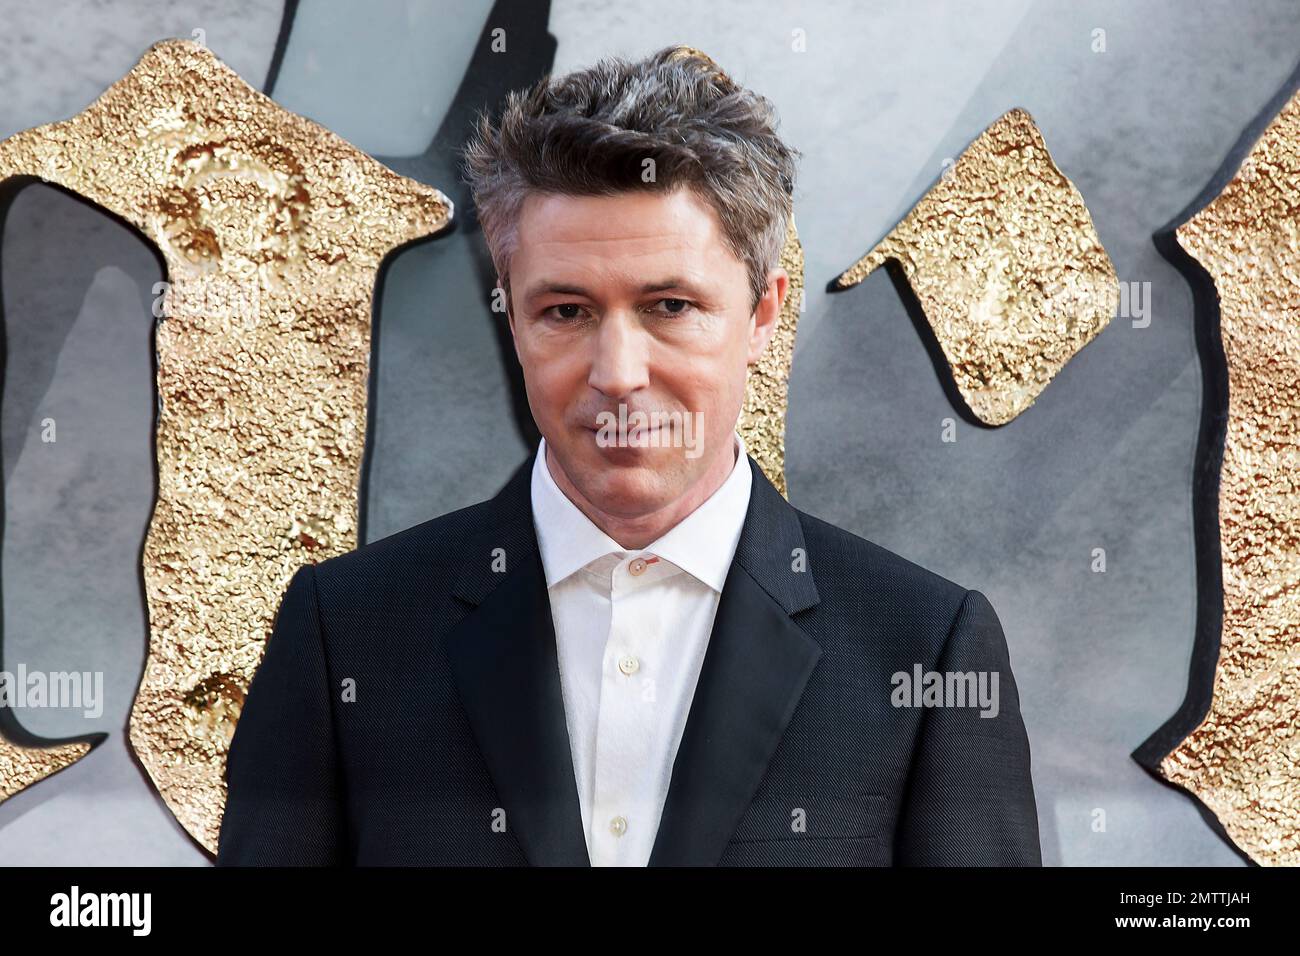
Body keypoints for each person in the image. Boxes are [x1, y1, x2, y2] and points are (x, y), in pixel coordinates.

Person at [217, 46, 1041, 866]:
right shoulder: (345, 637)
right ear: (512, 320)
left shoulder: (925, 649)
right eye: (567, 311)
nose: (616, 373)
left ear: (762, 315)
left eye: (670, 306)